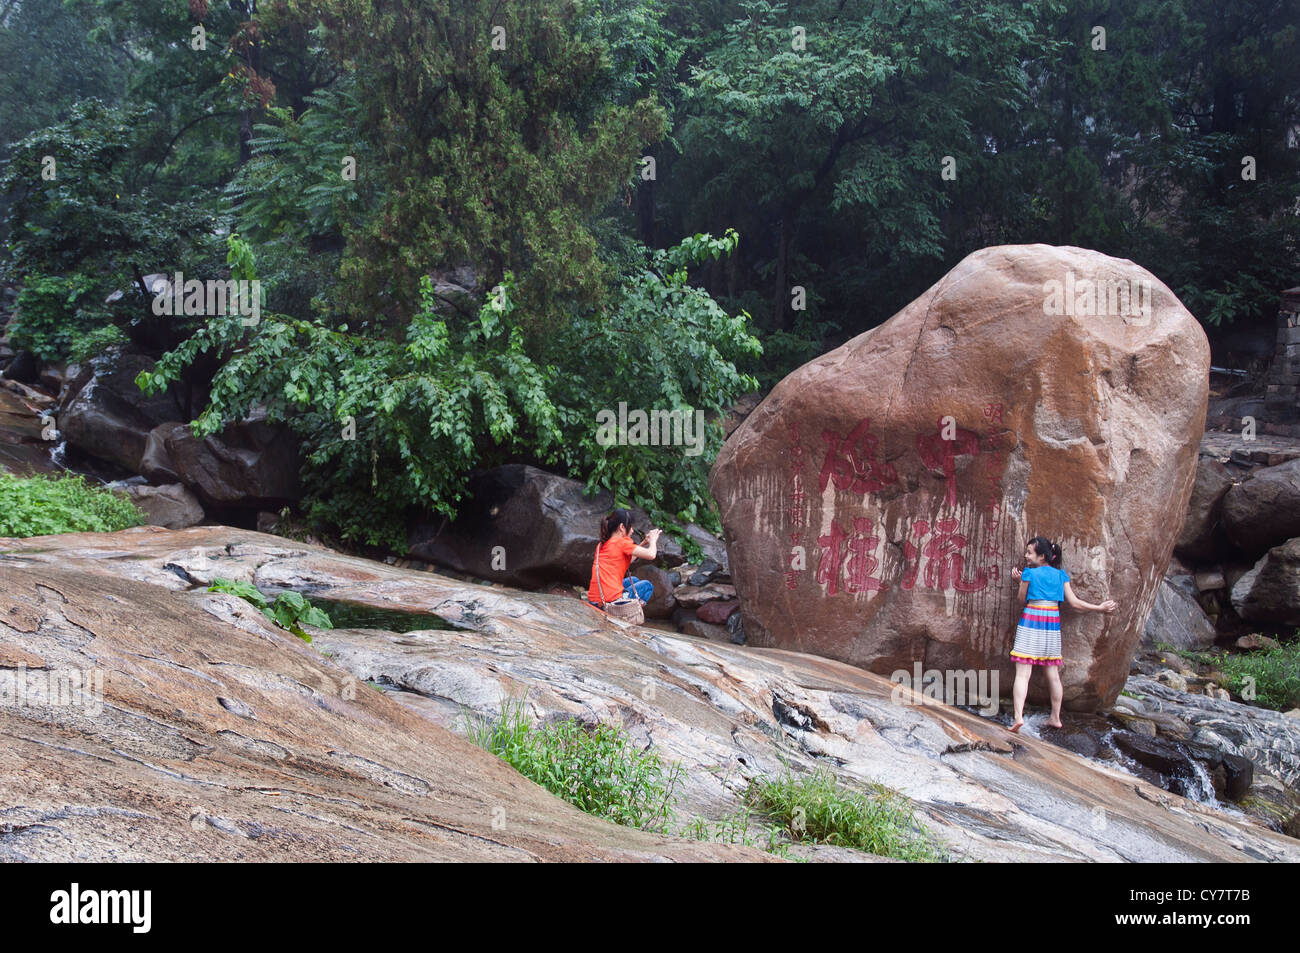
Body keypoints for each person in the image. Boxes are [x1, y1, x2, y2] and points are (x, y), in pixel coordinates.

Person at [1008, 535, 1118, 733]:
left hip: (1031, 621)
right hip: (1051, 625)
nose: (1026, 556)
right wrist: (1099, 608)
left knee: (1023, 674)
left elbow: (1021, 599)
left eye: (1029, 552)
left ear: (1042, 556)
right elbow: (1075, 603)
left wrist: (1020, 582)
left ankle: (1018, 717)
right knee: (1053, 674)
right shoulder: (1061, 575)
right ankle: (1055, 717)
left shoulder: (1029, 574)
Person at [587, 508, 662, 611]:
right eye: (630, 526)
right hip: (608, 603)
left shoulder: (602, 544)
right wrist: (653, 540)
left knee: (634, 580)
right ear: (622, 527)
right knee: (647, 586)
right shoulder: (622, 543)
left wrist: (644, 542)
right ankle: (629, 611)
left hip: (595, 600)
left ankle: (628, 604)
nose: (632, 530)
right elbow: (651, 554)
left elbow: (626, 560)